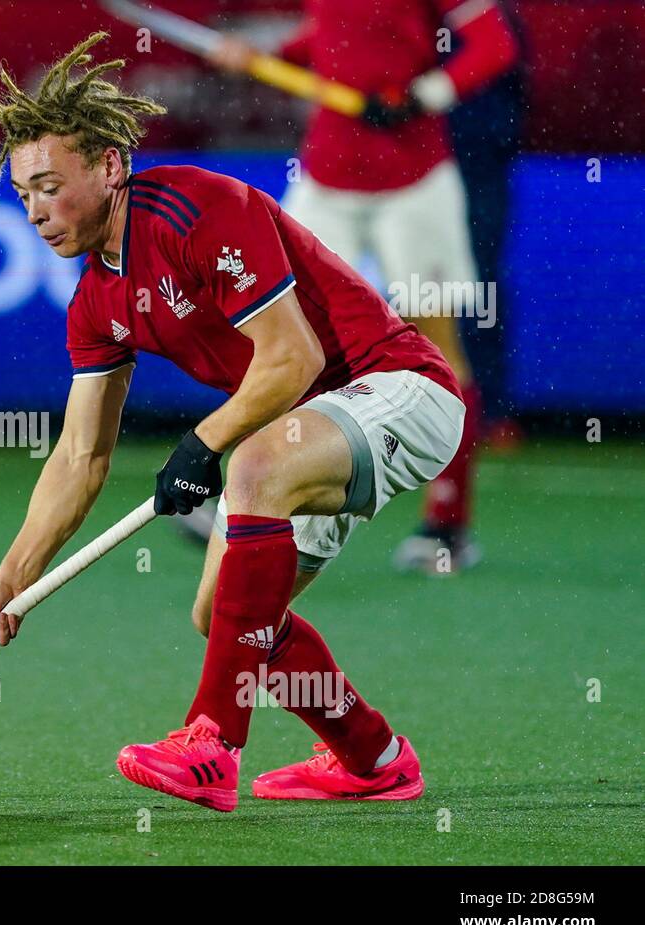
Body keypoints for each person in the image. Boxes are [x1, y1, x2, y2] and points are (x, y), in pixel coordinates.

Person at [0, 33, 464, 811]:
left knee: (252, 466)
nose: (35, 213)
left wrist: (203, 445)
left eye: (50, 186)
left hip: (400, 389)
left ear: (111, 165)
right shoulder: (96, 303)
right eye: (22, 195)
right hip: (310, 432)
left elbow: (290, 358)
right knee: (227, 616)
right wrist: (7, 585)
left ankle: (212, 744)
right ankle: (373, 757)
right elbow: (81, 457)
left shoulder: (197, 207)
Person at [203, 0, 519, 574]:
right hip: (326, 174)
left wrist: (422, 95)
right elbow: (336, 35)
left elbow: (495, 45)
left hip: (415, 179)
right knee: (281, 337)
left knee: (437, 349)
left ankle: (447, 529)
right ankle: (246, 505)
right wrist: (265, 54)